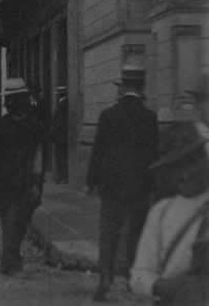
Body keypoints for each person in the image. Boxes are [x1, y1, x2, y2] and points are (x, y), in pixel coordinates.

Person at [87, 64, 159, 302]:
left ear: (124, 88)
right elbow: (154, 155)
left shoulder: (108, 115)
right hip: (139, 187)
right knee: (135, 233)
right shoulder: (150, 117)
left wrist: (92, 181)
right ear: (141, 88)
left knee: (109, 233)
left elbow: (98, 151)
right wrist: (151, 184)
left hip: (111, 187)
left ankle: (105, 279)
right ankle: (131, 278)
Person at [129, 121, 209, 305]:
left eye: (191, 162)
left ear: (204, 159)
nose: (184, 174)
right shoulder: (161, 212)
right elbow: (140, 275)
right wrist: (163, 286)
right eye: (176, 167)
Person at [0, 78, 45, 276]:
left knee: (20, 223)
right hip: (6, 185)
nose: (11, 103)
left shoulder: (33, 125)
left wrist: (37, 183)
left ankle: (11, 259)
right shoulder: (1, 126)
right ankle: (10, 262)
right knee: (10, 221)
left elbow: (38, 155)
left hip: (26, 183)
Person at [50, 86, 69, 184]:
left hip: (60, 136)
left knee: (61, 157)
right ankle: (61, 176)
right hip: (60, 136)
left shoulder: (63, 104)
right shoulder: (63, 104)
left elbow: (60, 122)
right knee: (61, 157)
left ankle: (63, 176)